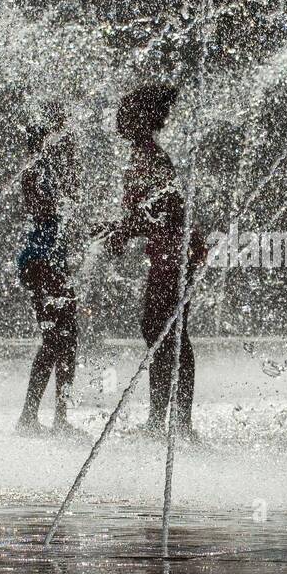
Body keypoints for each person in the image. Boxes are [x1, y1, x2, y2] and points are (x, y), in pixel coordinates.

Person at [108, 83, 207, 440]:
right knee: (161, 332)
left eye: (127, 110)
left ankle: (177, 423)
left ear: (144, 118)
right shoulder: (143, 154)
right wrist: (121, 229)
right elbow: (150, 211)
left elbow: (167, 210)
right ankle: (166, 420)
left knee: (167, 333)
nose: (119, 117)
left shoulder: (151, 156)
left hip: (176, 253)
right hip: (169, 251)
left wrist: (123, 230)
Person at [16, 107, 82, 437]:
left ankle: (51, 416)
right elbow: (47, 210)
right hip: (43, 262)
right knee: (58, 340)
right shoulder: (37, 171)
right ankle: (43, 417)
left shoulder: (42, 169)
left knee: (63, 341)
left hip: (48, 260)